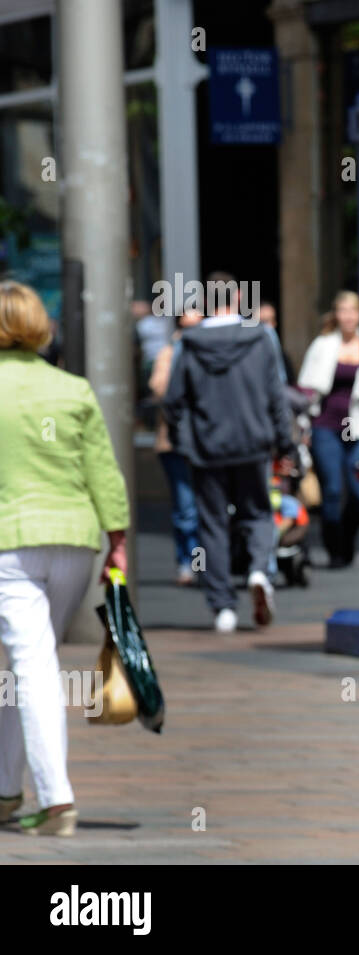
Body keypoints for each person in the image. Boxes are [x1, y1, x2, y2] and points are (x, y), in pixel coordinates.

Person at [0, 280, 129, 836]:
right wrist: (116, 537)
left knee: (31, 665)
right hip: (75, 543)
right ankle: (6, 791)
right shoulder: (72, 389)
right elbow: (103, 469)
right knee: (26, 662)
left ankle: (56, 802)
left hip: (9, 542)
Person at [162, 272, 293, 632]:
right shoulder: (261, 338)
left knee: (213, 524)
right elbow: (276, 397)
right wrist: (285, 443)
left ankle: (223, 608)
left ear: (205, 302)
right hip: (253, 444)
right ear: (238, 297)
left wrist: (183, 441)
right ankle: (256, 571)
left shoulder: (188, 343)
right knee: (258, 513)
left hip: (207, 449)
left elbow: (173, 401)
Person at [297, 291, 359, 569]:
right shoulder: (323, 345)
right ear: (335, 314)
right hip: (325, 425)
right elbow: (306, 390)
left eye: (353, 310)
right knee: (333, 489)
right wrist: (303, 427)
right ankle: (335, 549)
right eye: (342, 310)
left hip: (358, 427)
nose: (348, 316)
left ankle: (347, 536)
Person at [148, 308, 203, 586]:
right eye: (186, 327)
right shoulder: (169, 354)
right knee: (185, 508)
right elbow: (159, 389)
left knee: (207, 508)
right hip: (173, 443)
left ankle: (206, 563)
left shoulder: (210, 353)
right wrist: (179, 354)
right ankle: (188, 563)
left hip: (207, 442)